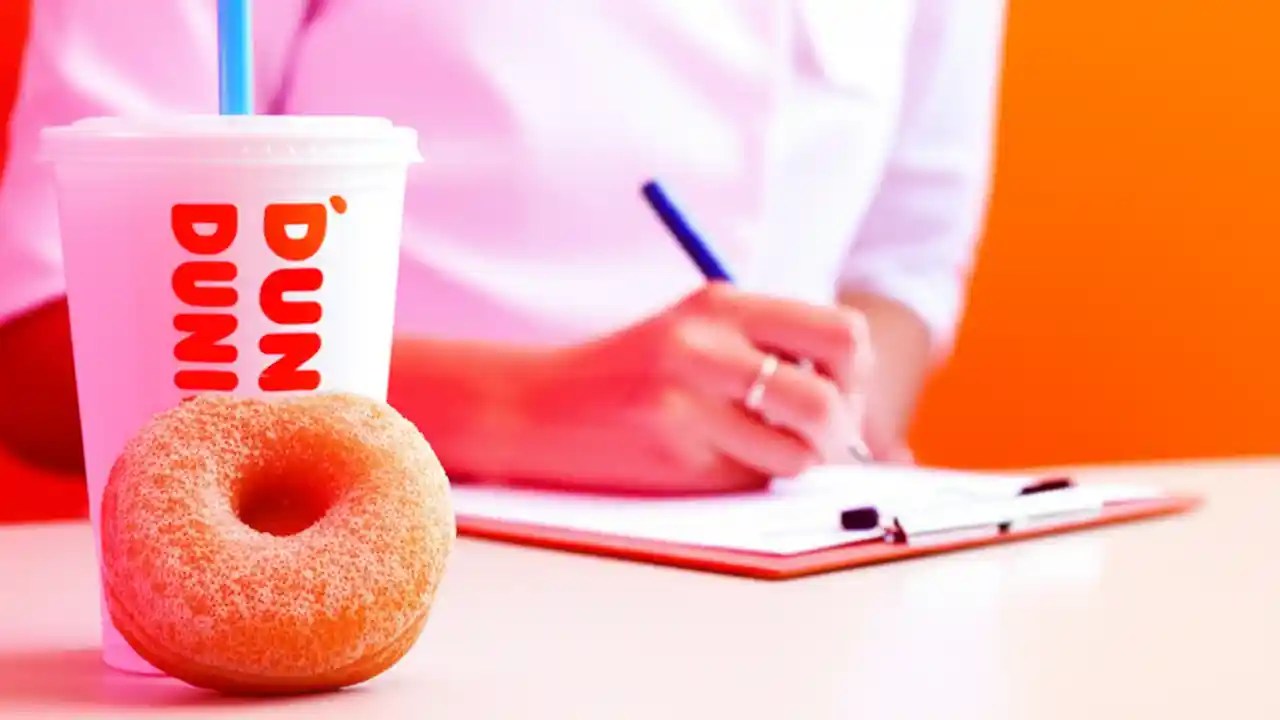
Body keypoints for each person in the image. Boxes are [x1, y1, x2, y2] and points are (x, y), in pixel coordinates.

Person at [0, 1, 1007, 493]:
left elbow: (904, 258)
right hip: (366, 586)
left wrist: (829, 410)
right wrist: (521, 408)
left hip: (789, 584)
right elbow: (47, 329)